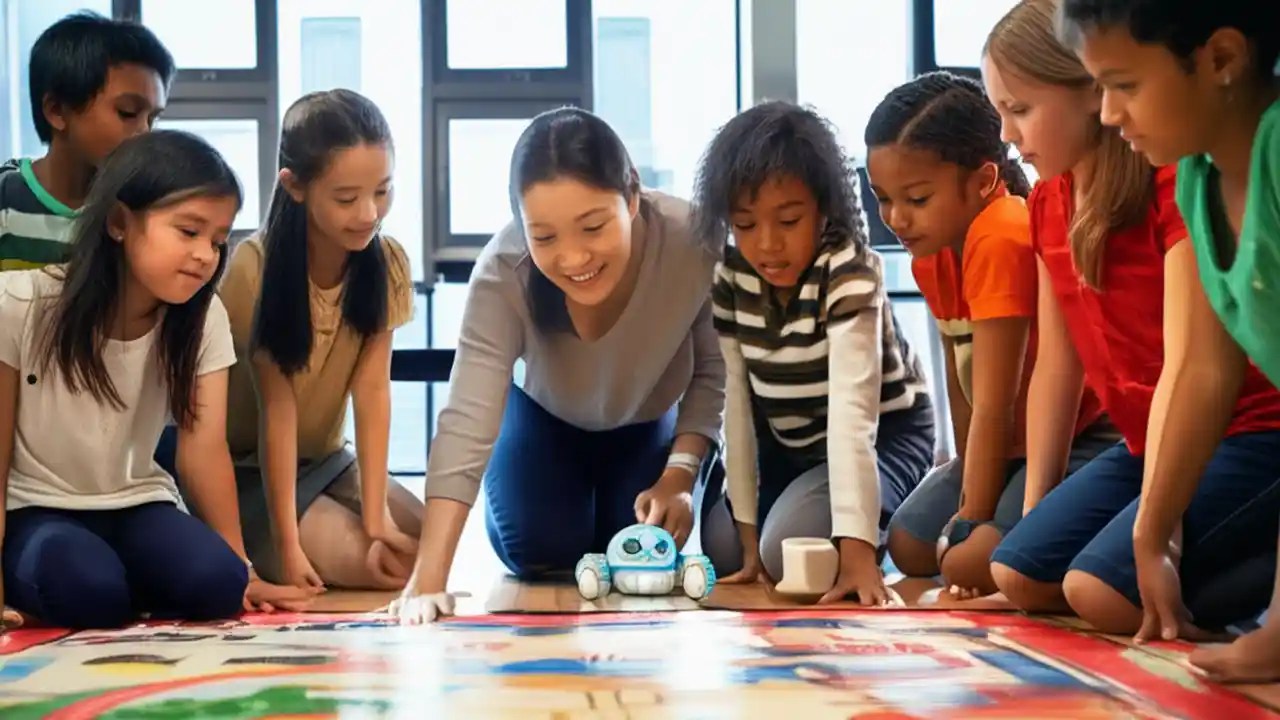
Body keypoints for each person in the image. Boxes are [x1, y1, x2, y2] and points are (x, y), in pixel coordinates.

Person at [981, 0, 1280, 638]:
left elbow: (1193, 367)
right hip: (1149, 438)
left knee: (1100, 591)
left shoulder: (1183, 177)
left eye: (1021, 110)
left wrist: (1158, 530)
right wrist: (1051, 515)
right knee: (1017, 571)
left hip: (1250, 431)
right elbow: (1069, 366)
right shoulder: (1069, 197)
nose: (1007, 134)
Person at [391, 107, 726, 623]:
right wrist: (427, 579)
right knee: (541, 546)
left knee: (636, 545)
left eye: (593, 227)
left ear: (632, 196)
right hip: (542, 419)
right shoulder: (504, 272)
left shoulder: (692, 240)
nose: (573, 258)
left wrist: (681, 474)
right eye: (545, 238)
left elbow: (712, 370)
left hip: (644, 419)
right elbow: (466, 421)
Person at [0, 130, 303, 629]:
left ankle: (126, 580)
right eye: (188, 232)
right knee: (87, 588)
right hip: (37, 509)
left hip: (137, 504)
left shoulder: (202, 318)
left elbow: (203, 450)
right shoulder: (21, 304)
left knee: (219, 585)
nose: (206, 254)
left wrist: (243, 569)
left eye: (218, 240)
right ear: (119, 222)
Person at [865, 72, 1114, 596]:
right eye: (883, 199)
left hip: (1078, 437)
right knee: (908, 546)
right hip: (1006, 444)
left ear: (982, 181)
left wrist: (971, 518)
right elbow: (964, 390)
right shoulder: (931, 254)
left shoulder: (1001, 234)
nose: (896, 219)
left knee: (965, 562)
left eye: (917, 198)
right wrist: (964, 483)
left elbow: (996, 406)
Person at [695, 101, 935, 606]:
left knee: (787, 552)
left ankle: (890, 518)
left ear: (823, 208)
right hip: (789, 444)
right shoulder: (733, 277)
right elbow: (737, 412)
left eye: (788, 220)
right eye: (745, 224)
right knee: (727, 553)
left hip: (885, 435)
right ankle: (807, 521)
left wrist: (857, 552)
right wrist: (744, 533)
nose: (767, 245)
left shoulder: (848, 270)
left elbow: (853, 418)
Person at [198, 89, 422, 592]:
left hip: (329, 461)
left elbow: (373, 392)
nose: (369, 213)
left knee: (423, 541)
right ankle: (281, 537)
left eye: (382, 191)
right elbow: (276, 412)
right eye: (346, 198)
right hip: (250, 471)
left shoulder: (387, 262)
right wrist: (288, 545)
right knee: (376, 568)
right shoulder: (254, 267)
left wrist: (376, 514)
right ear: (294, 185)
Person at [0, 12, 172, 270]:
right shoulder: (5, 198)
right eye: (127, 112)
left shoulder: (145, 210)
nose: (145, 132)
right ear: (57, 111)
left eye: (152, 118)